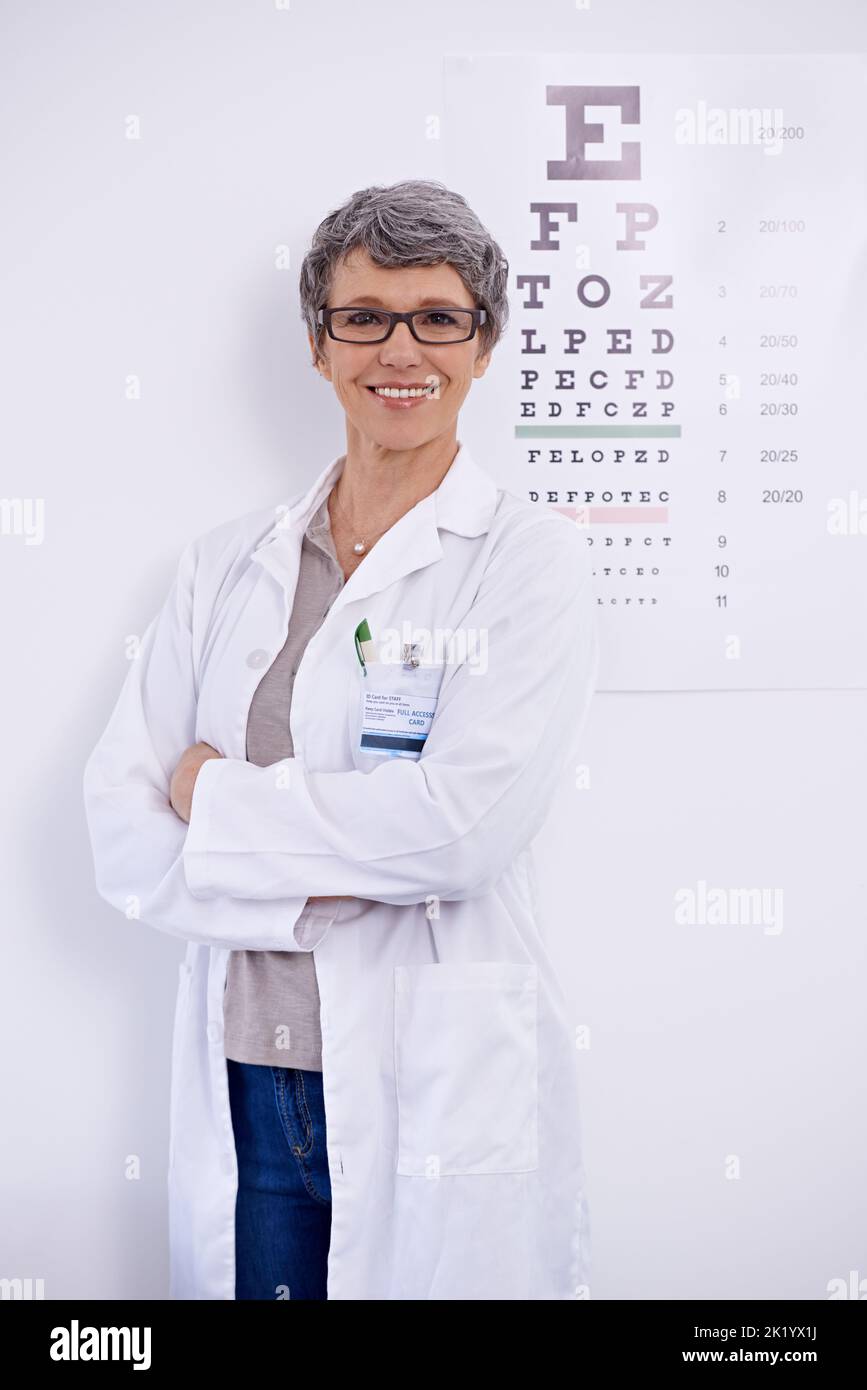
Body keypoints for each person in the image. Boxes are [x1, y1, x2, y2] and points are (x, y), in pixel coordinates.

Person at [83, 178, 599, 1301]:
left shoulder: (528, 563)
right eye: (363, 317)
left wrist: (216, 803)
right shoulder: (224, 565)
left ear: (484, 343)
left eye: (437, 316)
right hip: (249, 1086)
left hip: (434, 1076)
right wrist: (349, 867)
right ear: (319, 346)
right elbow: (122, 826)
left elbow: (461, 835)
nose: (398, 348)